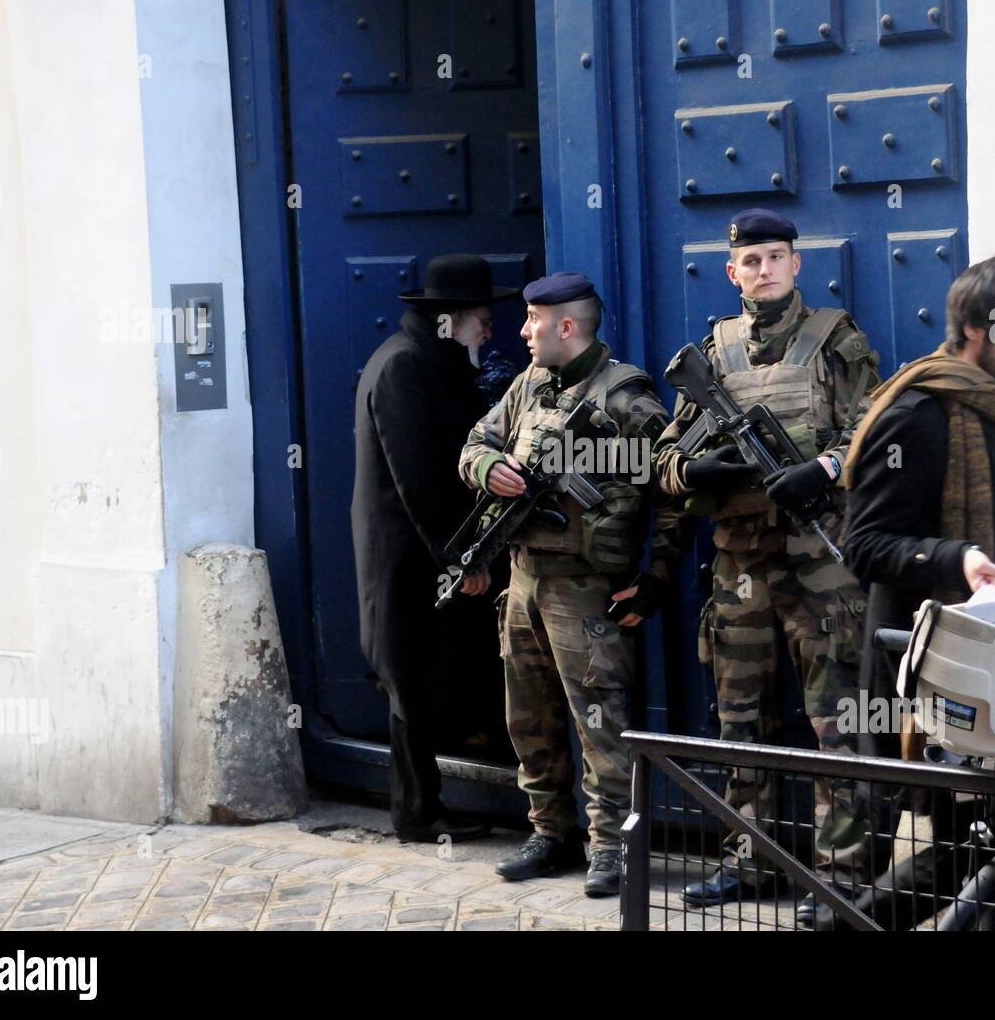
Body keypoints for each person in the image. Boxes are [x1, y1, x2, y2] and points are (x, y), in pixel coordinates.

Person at [652, 209, 883, 910]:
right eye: (751, 261)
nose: (765, 270)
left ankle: (841, 875)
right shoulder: (711, 355)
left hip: (819, 563)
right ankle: (748, 858)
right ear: (733, 272)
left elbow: (871, 431)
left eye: (776, 257)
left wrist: (822, 468)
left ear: (796, 264)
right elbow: (662, 460)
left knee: (837, 721)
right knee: (740, 719)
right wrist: (697, 474)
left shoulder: (835, 340)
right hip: (738, 566)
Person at [834, 253, 995, 929]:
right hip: (915, 668)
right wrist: (955, 558)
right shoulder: (918, 415)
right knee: (942, 850)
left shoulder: (991, 408)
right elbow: (863, 545)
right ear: (977, 330)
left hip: (983, 659)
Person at [459, 271, 683, 898]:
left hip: (587, 590)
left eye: (533, 321)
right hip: (524, 580)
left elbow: (671, 496)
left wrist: (656, 578)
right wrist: (488, 468)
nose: (523, 332)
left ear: (567, 326)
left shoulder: (628, 398)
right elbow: (475, 442)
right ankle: (549, 832)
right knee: (527, 716)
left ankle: (611, 848)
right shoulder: (528, 386)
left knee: (599, 721)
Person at [351, 253, 516, 844]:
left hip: (429, 553)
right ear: (448, 319)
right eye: (480, 316)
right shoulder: (403, 368)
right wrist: (460, 559)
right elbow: (416, 477)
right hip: (406, 558)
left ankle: (436, 800)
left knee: (432, 674)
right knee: (407, 682)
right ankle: (418, 814)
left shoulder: (432, 362)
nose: (490, 328)